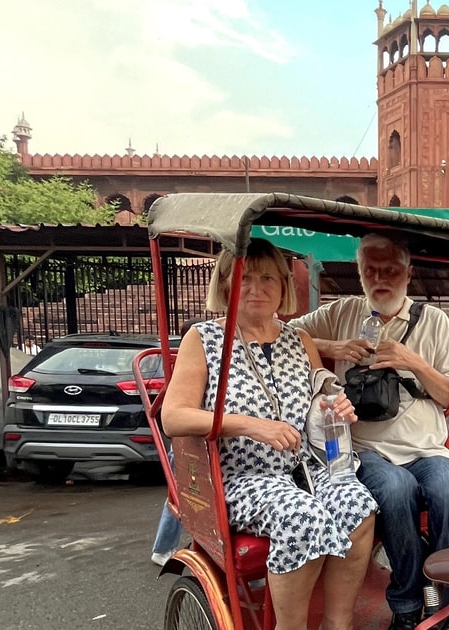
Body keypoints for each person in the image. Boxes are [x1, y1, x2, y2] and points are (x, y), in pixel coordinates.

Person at [161, 238, 378, 630]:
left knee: (357, 504)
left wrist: (337, 406)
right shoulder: (204, 339)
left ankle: (337, 624)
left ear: (283, 286)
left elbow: (322, 394)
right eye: (244, 277)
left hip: (306, 470)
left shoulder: (301, 340)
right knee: (303, 517)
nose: (255, 288)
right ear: (225, 283)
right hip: (241, 478)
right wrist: (248, 424)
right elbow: (173, 417)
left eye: (267, 278)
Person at [289, 233, 449, 630]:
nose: (380, 278)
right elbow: (284, 336)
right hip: (365, 448)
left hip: (426, 448)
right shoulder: (343, 312)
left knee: (448, 495)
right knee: (395, 490)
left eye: (390, 270)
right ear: (360, 272)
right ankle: (405, 603)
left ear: (408, 273)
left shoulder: (434, 321)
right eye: (371, 270)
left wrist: (412, 362)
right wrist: (331, 347)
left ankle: (444, 600)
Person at [150, 318, 205, 566]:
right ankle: (163, 548)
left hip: (191, 442)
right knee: (183, 496)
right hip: (189, 443)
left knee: (182, 495)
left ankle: (165, 547)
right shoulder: (189, 364)